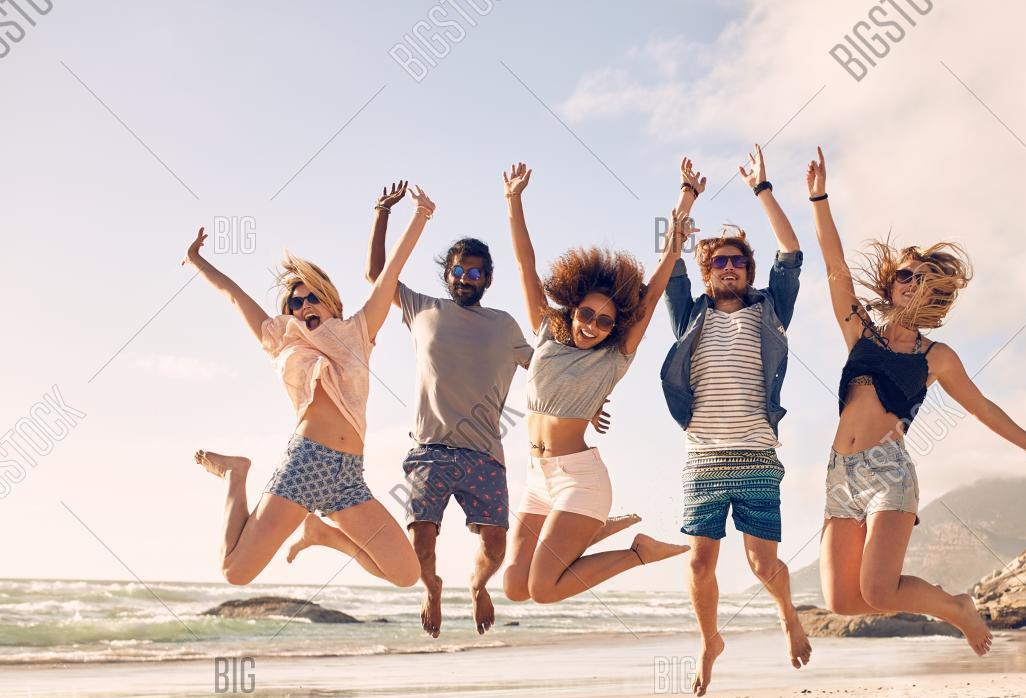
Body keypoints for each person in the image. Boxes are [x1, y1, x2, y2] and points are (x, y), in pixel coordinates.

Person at [804, 147, 1026, 654]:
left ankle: (956, 608)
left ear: (933, 293)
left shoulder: (935, 357)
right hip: (839, 472)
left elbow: (981, 407)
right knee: (843, 602)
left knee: (878, 590)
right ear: (892, 284)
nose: (910, 283)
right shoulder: (860, 334)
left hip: (888, 472)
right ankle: (952, 602)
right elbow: (834, 265)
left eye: (921, 278)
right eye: (904, 275)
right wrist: (819, 198)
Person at [364, 182, 638, 637]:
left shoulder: (505, 325)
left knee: (495, 547)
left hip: (484, 454)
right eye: (458, 271)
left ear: (487, 280)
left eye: (475, 274)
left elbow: (556, 375)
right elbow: (377, 276)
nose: (465, 279)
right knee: (421, 543)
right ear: (448, 274)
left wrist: (588, 406)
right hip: (429, 449)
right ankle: (431, 587)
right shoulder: (421, 308)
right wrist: (382, 215)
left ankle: (477, 586)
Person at [187, 188, 436, 589]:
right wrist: (198, 260)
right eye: (294, 303)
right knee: (235, 572)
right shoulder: (283, 340)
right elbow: (234, 296)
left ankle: (323, 535)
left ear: (330, 301)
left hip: (349, 475)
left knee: (407, 573)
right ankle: (236, 471)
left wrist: (421, 215)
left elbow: (389, 272)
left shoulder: (357, 331)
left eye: (310, 297)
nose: (303, 307)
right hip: (305, 464)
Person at [498, 162, 691, 605]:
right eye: (586, 314)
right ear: (572, 308)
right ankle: (593, 530)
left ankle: (638, 553)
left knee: (543, 589)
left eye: (605, 321)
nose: (593, 326)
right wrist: (513, 200)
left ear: (614, 327)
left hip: (579, 481)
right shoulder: (546, 331)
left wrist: (684, 199)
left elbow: (660, 276)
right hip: (536, 477)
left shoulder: (613, 358)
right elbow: (525, 263)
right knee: (514, 587)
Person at [661, 149, 811, 695]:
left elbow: (792, 251)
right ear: (708, 274)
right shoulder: (688, 314)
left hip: (756, 456)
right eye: (719, 262)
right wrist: (687, 197)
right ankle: (708, 642)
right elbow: (668, 254)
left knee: (760, 564)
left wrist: (763, 187)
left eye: (737, 262)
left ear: (748, 271)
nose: (729, 268)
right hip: (702, 458)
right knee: (701, 564)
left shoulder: (771, 310)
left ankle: (788, 615)